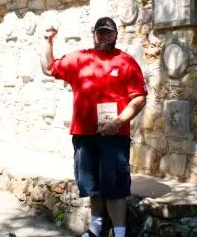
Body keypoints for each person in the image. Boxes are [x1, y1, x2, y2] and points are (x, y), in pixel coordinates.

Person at [40, 16, 147, 237]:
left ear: (116, 34)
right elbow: (49, 68)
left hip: (115, 136)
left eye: (109, 32)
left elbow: (139, 99)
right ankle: (96, 230)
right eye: (101, 32)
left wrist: (117, 123)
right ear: (94, 33)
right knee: (92, 186)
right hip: (84, 136)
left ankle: (119, 233)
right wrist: (48, 41)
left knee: (115, 187)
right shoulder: (79, 58)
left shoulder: (126, 61)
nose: (104, 36)